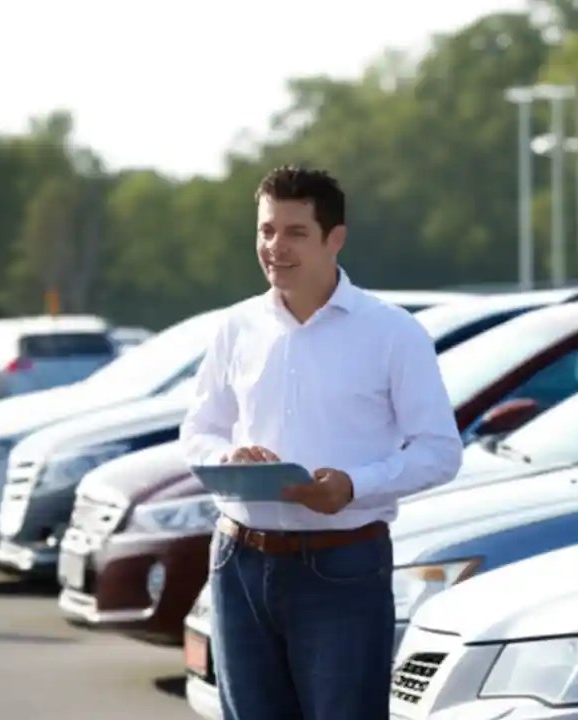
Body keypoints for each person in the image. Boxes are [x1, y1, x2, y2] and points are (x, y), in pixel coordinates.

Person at [179, 165, 463, 719]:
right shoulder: (235, 327)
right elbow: (198, 430)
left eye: (295, 233)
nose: (275, 247)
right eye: (266, 231)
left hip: (343, 566)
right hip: (238, 561)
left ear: (335, 239)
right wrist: (225, 457)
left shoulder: (392, 332)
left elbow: (438, 451)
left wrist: (353, 485)